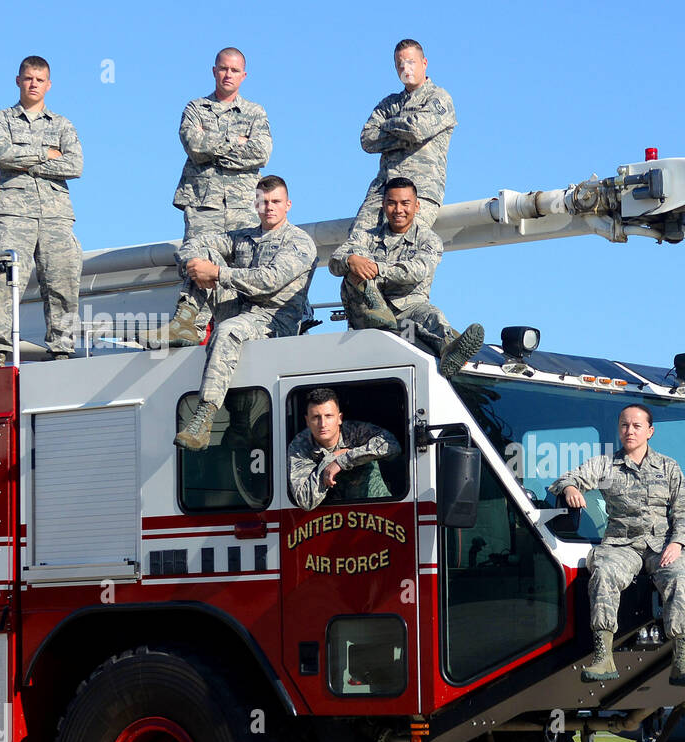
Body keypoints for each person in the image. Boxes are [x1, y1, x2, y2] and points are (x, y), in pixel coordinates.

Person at [550, 405, 685, 688]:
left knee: (680, 575)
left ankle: (682, 661)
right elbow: (566, 479)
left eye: (636, 426)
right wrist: (571, 489)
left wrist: (678, 543)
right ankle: (603, 656)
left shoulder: (668, 467)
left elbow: (684, 510)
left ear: (650, 431)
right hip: (622, 545)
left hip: (662, 546)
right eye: (624, 425)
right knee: (604, 571)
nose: (629, 431)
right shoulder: (606, 465)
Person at [173, 175, 316, 451]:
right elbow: (195, 243)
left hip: (273, 318)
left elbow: (270, 279)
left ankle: (204, 418)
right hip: (239, 308)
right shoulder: (244, 236)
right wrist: (193, 263)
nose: (269, 207)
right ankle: (185, 320)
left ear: (288, 205)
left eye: (275, 202)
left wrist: (216, 273)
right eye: (263, 202)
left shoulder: (299, 242)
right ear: (255, 205)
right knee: (205, 256)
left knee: (227, 329)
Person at [168, 47, 272, 346]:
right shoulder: (196, 108)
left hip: (242, 206)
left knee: (238, 269)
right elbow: (194, 146)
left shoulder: (255, 112)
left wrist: (214, 147)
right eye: (223, 69)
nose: (228, 75)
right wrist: (237, 143)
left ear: (244, 75)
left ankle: (232, 332)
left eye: (234, 70)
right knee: (198, 260)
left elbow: (261, 152)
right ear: (214, 71)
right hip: (203, 204)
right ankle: (189, 325)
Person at [329, 177, 482, 377]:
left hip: (409, 307)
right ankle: (379, 312)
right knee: (355, 263)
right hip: (366, 307)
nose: (398, 209)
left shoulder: (429, 240)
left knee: (432, 316)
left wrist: (378, 269)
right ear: (383, 206)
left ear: (416, 206)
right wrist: (350, 260)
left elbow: (417, 270)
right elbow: (334, 262)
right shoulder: (365, 236)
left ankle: (448, 350)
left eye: (405, 203)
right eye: (392, 203)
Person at [0, 55, 83, 367]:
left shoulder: (63, 125)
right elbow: (2, 155)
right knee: (4, 278)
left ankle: (61, 349)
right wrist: (46, 155)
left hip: (56, 216)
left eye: (39, 80)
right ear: (18, 80)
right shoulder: (1, 119)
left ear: (48, 85)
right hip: (15, 213)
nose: (33, 84)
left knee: (62, 281)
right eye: (28, 78)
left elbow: (75, 165)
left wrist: (26, 159)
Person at [350, 38, 455, 236]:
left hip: (419, 192)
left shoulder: (439, 98)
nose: (406, 68)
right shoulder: (390, 103)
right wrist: (405, 130)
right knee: (358, 243)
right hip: (383, 191)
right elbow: (368, 139)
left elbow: (417, 130)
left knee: (402, 246)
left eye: (411, 62)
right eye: (400, 64)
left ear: (424, 63)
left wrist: (388, 126)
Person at [287, 388, 402, 509]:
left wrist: (343, 460)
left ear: (339, 418)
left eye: (328, 416)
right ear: (307, 421)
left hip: (378, 512)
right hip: (332, 519)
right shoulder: (300, 446)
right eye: (316, 417)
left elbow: (392, 445)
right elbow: (305, 500)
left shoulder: (356, 432)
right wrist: (331, 459)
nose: (322, 424)